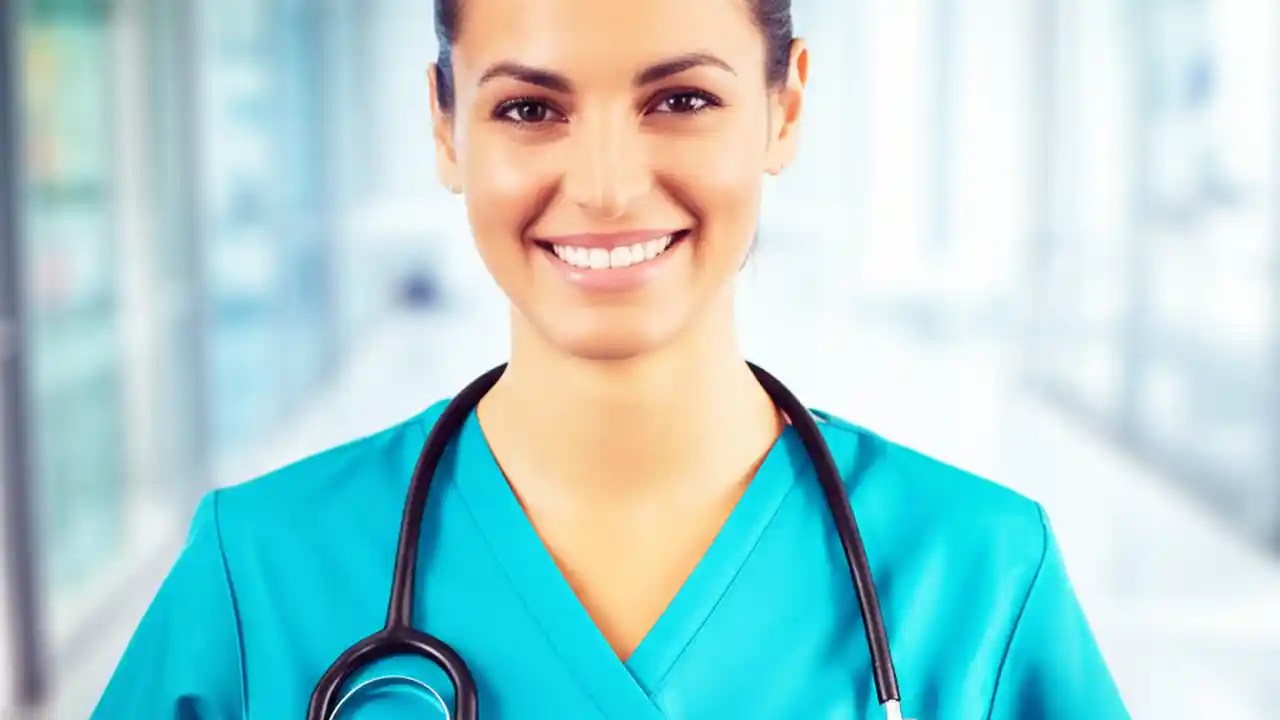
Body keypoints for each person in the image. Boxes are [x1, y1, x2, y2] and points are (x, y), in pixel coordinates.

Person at [93, 0, 1131, 717]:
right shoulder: (262, 570)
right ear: (445, 129)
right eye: (528, 109)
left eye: (679, 100)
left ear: (786, 106)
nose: (602, 186)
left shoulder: (978, 573)